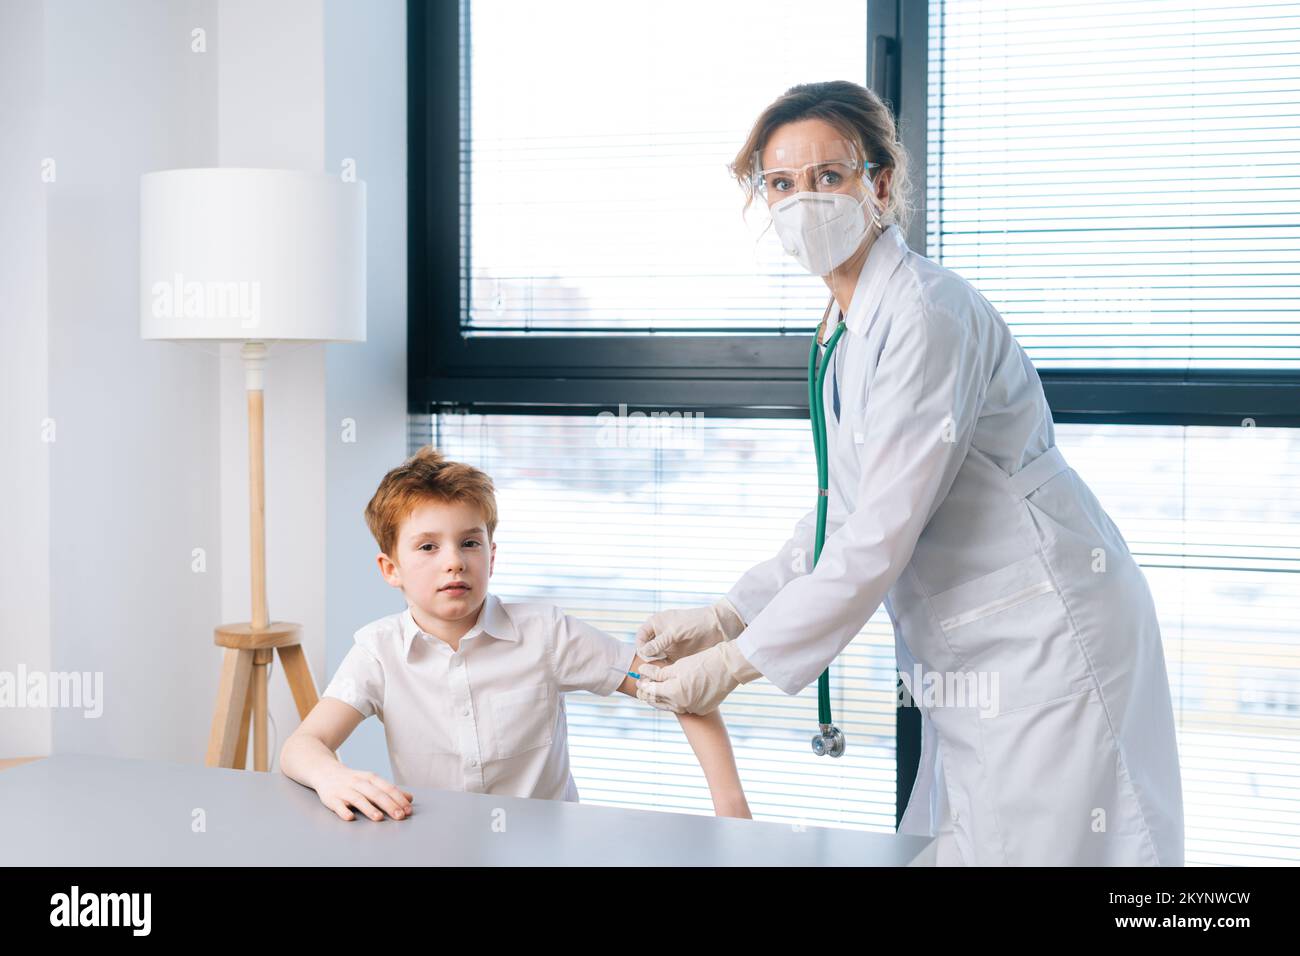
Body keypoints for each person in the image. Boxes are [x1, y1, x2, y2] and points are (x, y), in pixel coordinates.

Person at [634, 80, 1184, 866]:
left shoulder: (925, 314)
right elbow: (843, 512)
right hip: (977, 648)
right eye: (781, 185)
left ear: (879, 183)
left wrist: (734, 664)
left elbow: (879, 535)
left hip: (1044, 637)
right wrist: (728, 614)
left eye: (829, 177)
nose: (803, 203)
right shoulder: (848, 326)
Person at [281, 446, 750, 821]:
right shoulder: (378, 651)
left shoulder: (545, 633)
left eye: (470, 542)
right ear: (391, 569)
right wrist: (332, 778)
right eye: (428, 546)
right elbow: (302, 746)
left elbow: (681, 690)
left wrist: (731, 810)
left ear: (492, 555)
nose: (454, 561)